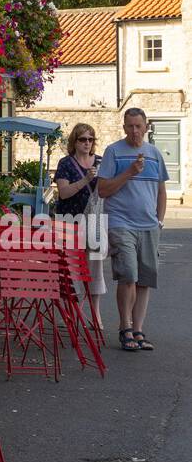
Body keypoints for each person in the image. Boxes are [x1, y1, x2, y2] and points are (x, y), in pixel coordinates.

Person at [97, 108, 167, 353]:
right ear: (124, 127)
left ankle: (138, 330)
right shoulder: (113, 152)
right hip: (121, 223)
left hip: (149, 226)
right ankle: (125, 328)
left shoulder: (155, 155)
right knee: (128, 275)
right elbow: (103, 190)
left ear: (146, 127)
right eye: (130, 126)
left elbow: (160, 191)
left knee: (144, 281)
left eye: (138, 126)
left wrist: (159, 221)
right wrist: (128, 173)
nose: (134, 131)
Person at [54, 123, 105, 328]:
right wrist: (86, 179)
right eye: (82, 139)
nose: (87, 143)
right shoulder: (66, 163)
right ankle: (74, 313)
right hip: (69, 221)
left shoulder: (101, 161)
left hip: (95, 221)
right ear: (74, 142)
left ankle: (96, 314)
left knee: (95, 269)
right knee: (72, 269)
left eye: (90, 139)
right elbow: (64, 193)